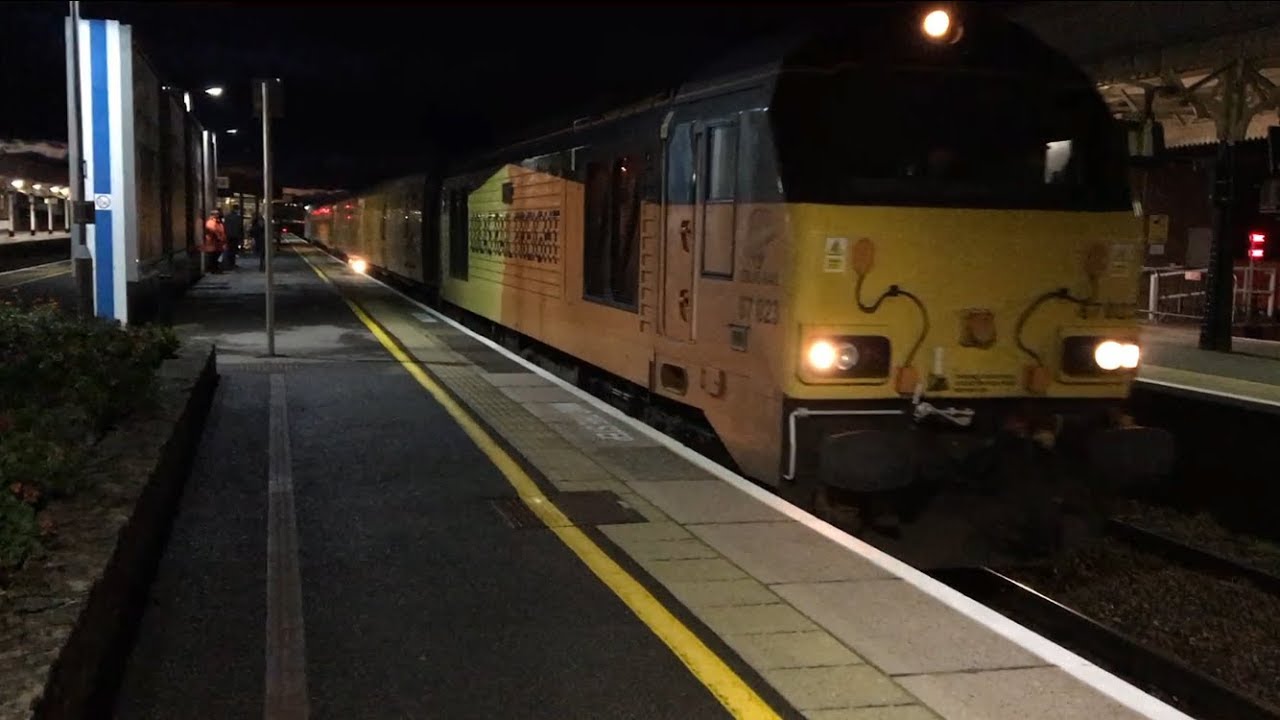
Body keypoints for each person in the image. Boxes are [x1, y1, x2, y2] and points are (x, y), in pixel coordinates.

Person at [203, 209, 226, 274]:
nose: (218, 215)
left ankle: (216, 268)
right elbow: (213, 230)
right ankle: (214, 269)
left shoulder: (217, 222)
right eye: (217, 214)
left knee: (217, 255)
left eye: (218, 214)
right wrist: (219, 237)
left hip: (218, 243)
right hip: (213, 243)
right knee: (213, 256)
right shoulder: (211, 222)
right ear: (213, 215)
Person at [223, 204, 244, 269]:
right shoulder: (237, 217)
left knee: (229, 250)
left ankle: (229, 263)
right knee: (233, 250)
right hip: (235, 236)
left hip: (228, 236)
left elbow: (225, 226)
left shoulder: (227, 217)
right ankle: (232, 263)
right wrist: (241, 236)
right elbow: (240, 227)